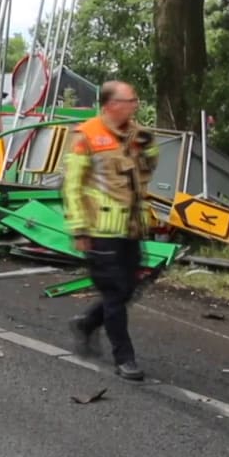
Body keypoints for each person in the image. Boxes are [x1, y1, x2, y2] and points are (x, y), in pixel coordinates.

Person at [63, 81, 158, 381]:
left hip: (131, 227)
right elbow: (72, 186)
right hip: (100, 229)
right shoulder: (86, 135)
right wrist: (79, 229)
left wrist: (148, 146)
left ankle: (88, 321)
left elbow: (149, 167)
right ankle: (125, 358)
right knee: (116, 292)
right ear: (110, 104)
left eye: (135, 100)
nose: (135, 105)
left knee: (129, 288)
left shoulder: (136, 134)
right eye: (130, 100)